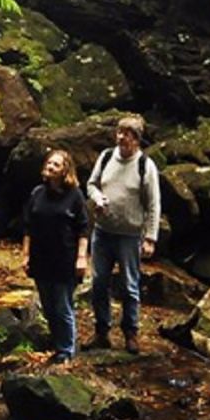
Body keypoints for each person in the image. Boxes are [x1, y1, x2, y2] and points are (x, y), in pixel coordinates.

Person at [85, 114, 160, 354]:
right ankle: (101, 332)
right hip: (103, 232)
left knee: (129, 285)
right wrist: (97, 197)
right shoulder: (106, 157)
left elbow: (153, 204)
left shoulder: (145, 166)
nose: (121, 138)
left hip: (129, 236)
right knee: (98, 283)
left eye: (127, 135)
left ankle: (131, 332)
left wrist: (150, 237)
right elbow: (91, 184)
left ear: (137, 139)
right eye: (119, 133)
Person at [21, 149, 89, 364]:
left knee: (62, 306)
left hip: (65, 259)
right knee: (48, 306)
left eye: (56, 165)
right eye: (49, 163)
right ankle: (58, 345)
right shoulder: (37, 193)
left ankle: (67, 350)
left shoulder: (75, 196)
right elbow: (28, 227)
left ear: (65, 171)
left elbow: (84, 229)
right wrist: (25, 255)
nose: (50, 167)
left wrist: (81, 257)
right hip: (41, 258)